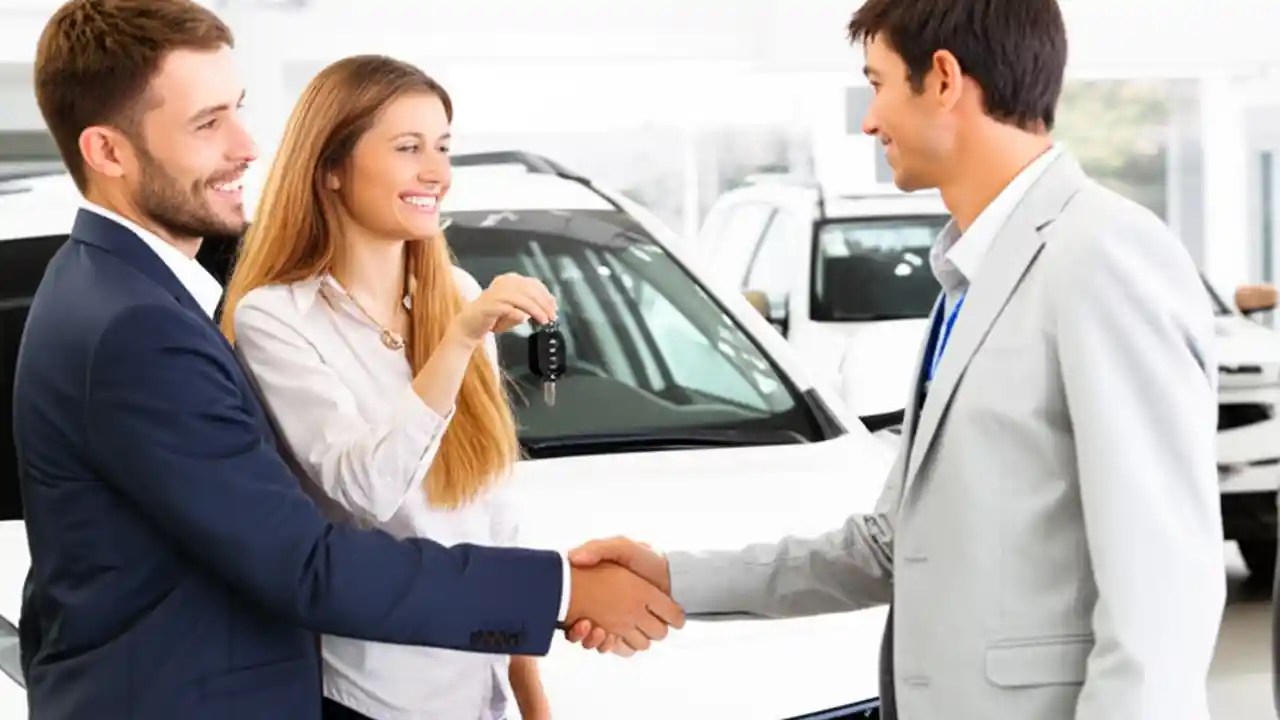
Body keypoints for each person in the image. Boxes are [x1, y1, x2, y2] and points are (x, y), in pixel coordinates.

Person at [13, 2, 680, 718]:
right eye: (207, 124)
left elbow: (482, 511)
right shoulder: (138, 326)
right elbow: (306, 564)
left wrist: (527, 659)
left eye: (237, 110)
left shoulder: (121, 295)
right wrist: (564, 592)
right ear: (108, 153)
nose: (247, 145)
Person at [567, 0, 1226, 717]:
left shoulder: (1100, 254)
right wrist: (671, 576)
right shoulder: (967, 280)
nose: (869, 120)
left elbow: (1163, 586)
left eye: (876, 83)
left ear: (943, 78)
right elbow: (892, 548)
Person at [219, 54, 563, 720]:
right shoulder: (274, 317)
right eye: (408, 148)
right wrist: (458, 341)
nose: (437, 171)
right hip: (371, 698)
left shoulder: (459, 294)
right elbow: (366, 488)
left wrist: (531, 697)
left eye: (442, 147)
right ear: (332, 169)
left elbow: (493, 519)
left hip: (480, 689)